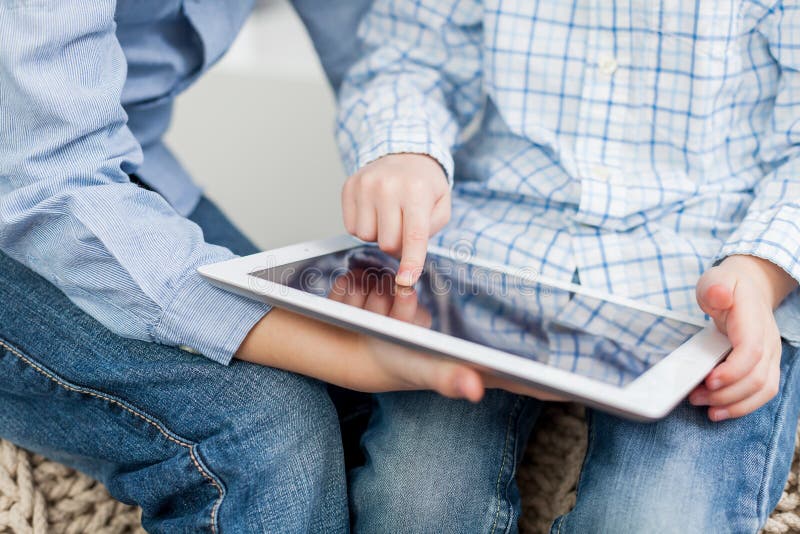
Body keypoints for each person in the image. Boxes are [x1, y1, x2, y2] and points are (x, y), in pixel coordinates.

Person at [0, 1, 528, 531]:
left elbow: (373, 42)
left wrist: (406, 154)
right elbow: (51, 181)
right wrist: (341, 353)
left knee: (358, 402)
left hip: (121, 169)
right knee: (265, 426)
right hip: (42, 182)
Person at [336, 1, 800, 531]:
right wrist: (404, 151)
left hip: (699, 277)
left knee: (654, 520)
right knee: (413, 500)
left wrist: (761, 269)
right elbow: (409, 57)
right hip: (493, 254)